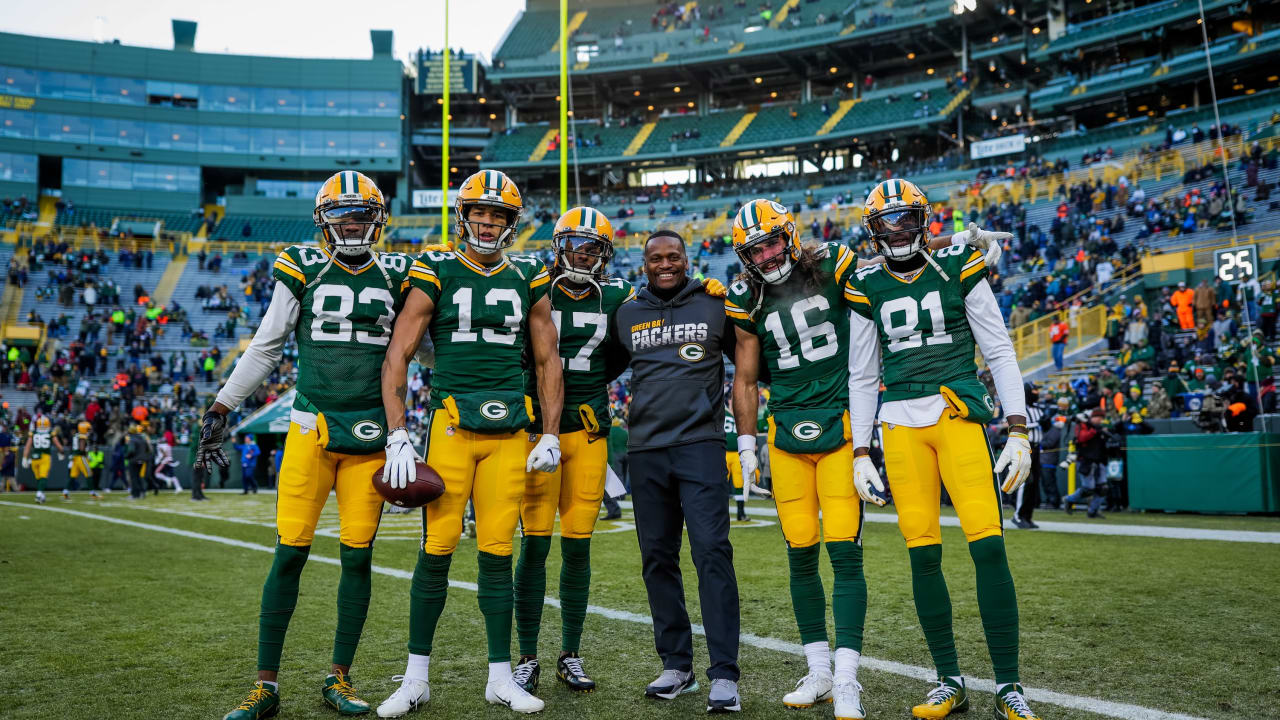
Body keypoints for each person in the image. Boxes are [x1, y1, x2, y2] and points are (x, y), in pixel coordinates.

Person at [197, 170, 411, 720]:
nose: (352, 224)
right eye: (342, 215)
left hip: (370, 435)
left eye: (361, 214)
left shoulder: (399, 273)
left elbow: (423, 350)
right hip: (310, 428)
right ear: (324, 221)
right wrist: (222, 406)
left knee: (357, 559)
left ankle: (339, 677)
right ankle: (265, 685)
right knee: (289, 553)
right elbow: (266, 347)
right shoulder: (302, 267)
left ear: (379, 219)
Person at [846, 178, 1040, 720]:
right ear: (872, 229)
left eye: (908, 219)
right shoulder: (865, 283)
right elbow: (862, 376)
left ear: (924, 219)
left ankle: (1008, 685)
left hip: (957, 414)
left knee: (988, 547)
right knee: (923, 555)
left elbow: (999, 350)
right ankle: (948, 679)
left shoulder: (957, 264)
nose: (899, 230)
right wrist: (862, 452)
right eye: (888, 221)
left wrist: (1018, 429)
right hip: (899, 427)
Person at [378, 169, 562, 716]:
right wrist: (397, 433)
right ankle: (416, 678)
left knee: (497, 553)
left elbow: (549, 360)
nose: (486, 223)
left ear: (511, 223)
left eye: (498, 215)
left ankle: (500, 677)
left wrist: (550, 433)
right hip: (452, 425)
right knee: (436, 551)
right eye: (479, 214)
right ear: (463, 216)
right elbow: (399, 353)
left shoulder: (529, 273)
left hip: (510, 432)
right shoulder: (434, 266)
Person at [725, 198, 874, 715]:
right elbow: (744, 378)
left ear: (788, 235)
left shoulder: (834, 264)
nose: (764, 257)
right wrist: (746, 447)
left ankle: (849, 677)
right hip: (785, 428)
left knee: (844, 551)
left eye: (768, 243)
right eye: (753, 250)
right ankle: (819, 671)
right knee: (800, 550)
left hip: (841, 420)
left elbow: (893, 261)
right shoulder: (747, 297)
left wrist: (952, 244)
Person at [610, 230, 743, 713]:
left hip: (701, 446)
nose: (665, 264)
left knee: (712, 553)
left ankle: (725, 672)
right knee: (657, 558)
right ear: (643, 263)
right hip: (646, 450)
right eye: (655, 258)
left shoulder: (715, 305)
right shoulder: (626, 313)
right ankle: (676, 664)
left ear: (688, 259)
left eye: (674, 257)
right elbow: (594, 367)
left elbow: (750, 362)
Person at [510, 207, 635, 696]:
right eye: (575, 245)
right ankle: (526, 655)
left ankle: (570, 652)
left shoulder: (618, 296)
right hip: (539, 429)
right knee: (535, 544)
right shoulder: (532, 285)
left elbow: (624, 351)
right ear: (558, 246)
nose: (582, 254)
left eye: (592, 247)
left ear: (603, 254)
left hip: (588, 432)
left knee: (578, 548)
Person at [1064, 409, 1109, 518]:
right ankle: (1069, 500)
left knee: (1102, 488)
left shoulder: (1101, 427)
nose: (1100, 420)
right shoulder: (1083, 425)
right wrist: (1095, 431)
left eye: (1102, 418)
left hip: (1100, 460)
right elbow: (1081, 437)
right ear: (1092, 417)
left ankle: (1093, 511)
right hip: (1086, 461)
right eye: (1098, 417)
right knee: (1088, 488)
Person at [1012, 384, 1044, 529]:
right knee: (1024, 482)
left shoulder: (1038, 409)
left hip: (1037, 448)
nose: (1037, 393)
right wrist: (1039, 423)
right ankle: (1018, 516)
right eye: (1034, 391)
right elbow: (1019, 426)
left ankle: (1027, 516)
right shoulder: (1021, 409)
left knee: (1034, 484)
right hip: (1025, 448)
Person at [22, 413, 62, 504]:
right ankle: (39, 494)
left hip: (34, 457)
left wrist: (24, 458)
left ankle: (41, 495)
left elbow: (27, 446)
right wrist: (61, 452)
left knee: (39, 478)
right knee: (43, 477)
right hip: (45, 456)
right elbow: (58, 445)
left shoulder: (33, 432)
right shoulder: (50, 432)